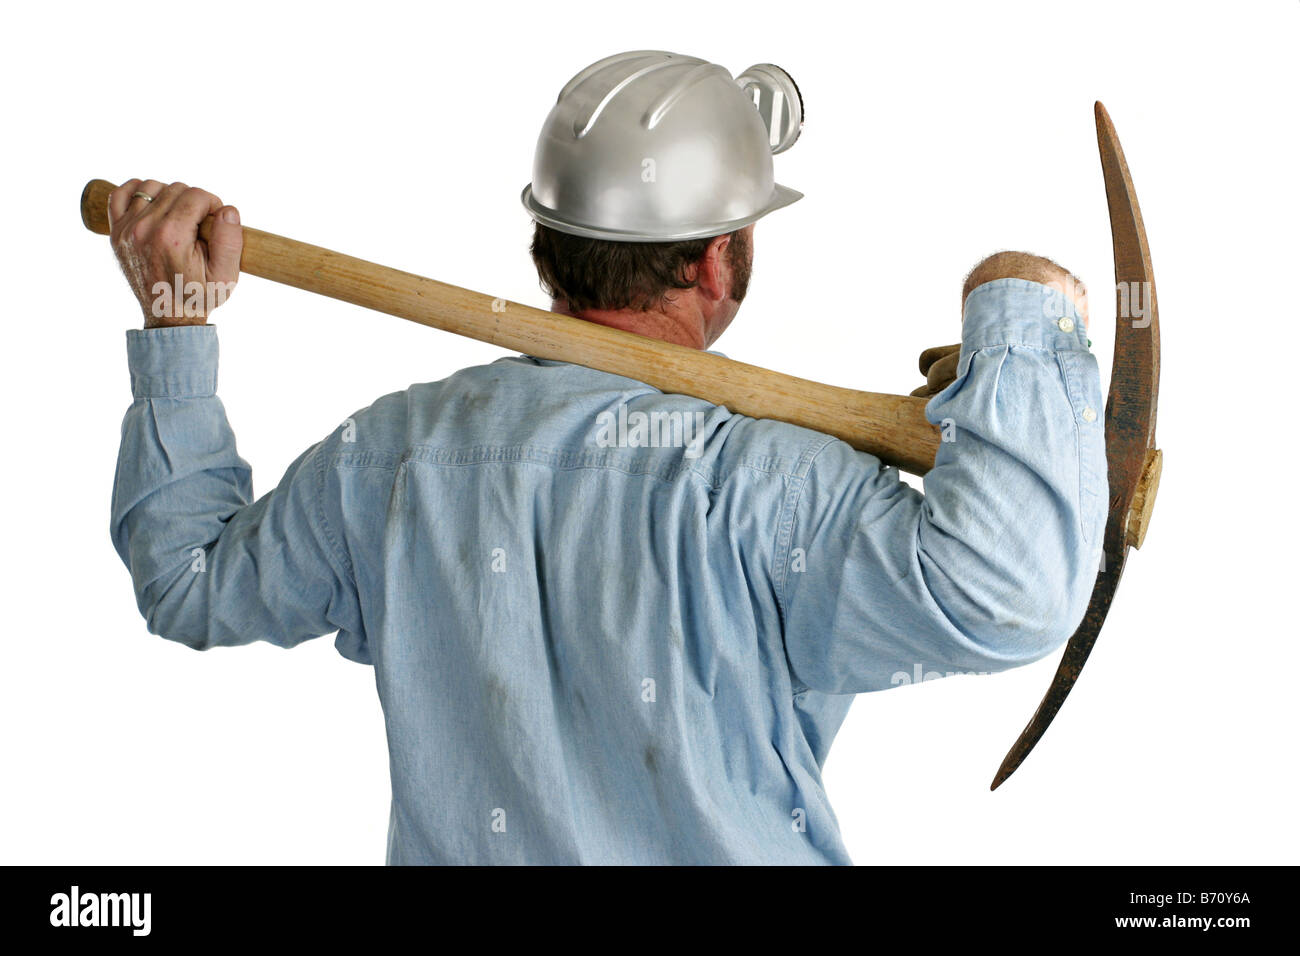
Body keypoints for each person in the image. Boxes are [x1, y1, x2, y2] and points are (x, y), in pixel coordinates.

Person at [107, 52, 1105, 864]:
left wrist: (176, 317)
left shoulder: (390, 457)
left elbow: (190, 581)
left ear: (551, 240)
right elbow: (1010, 590)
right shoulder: (777, 485)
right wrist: (1022, 304)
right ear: (716, 258)